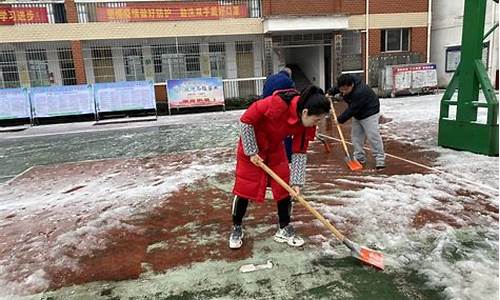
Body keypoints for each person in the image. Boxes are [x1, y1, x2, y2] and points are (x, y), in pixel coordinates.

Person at [229, 86, 330, 249]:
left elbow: (300, 151)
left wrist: (296, 183)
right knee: (245, 187)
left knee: (285, 187)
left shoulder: (306, 124)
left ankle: (284, 227)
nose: (316, 124)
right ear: (305, 112)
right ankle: (237, 227)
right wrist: (251, 151)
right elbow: (246, 121)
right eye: (317, 119)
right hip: (252, 149)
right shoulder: (275, 104)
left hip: (275, 148)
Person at [327, 74, 385, 169]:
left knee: (372, 136)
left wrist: (340, 119)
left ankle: (380, 158)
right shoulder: (347, 82)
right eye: (342, 90)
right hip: (358, 113)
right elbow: (339, 88)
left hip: (370, 112)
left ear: (352, 85)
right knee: (356, 137)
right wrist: (331, 92)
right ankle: (359, 157)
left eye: (346, 90)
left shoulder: (360, 92)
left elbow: (352, 109)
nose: (343, 92)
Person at [262, 67, 296, 162]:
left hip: (265, 108)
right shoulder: (289, 81)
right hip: (280, 109)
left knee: (268, 133)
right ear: (289, 74)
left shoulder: (269, 78)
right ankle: (288, 157)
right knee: (285, 132)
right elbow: (293, 98)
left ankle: (268, 156)